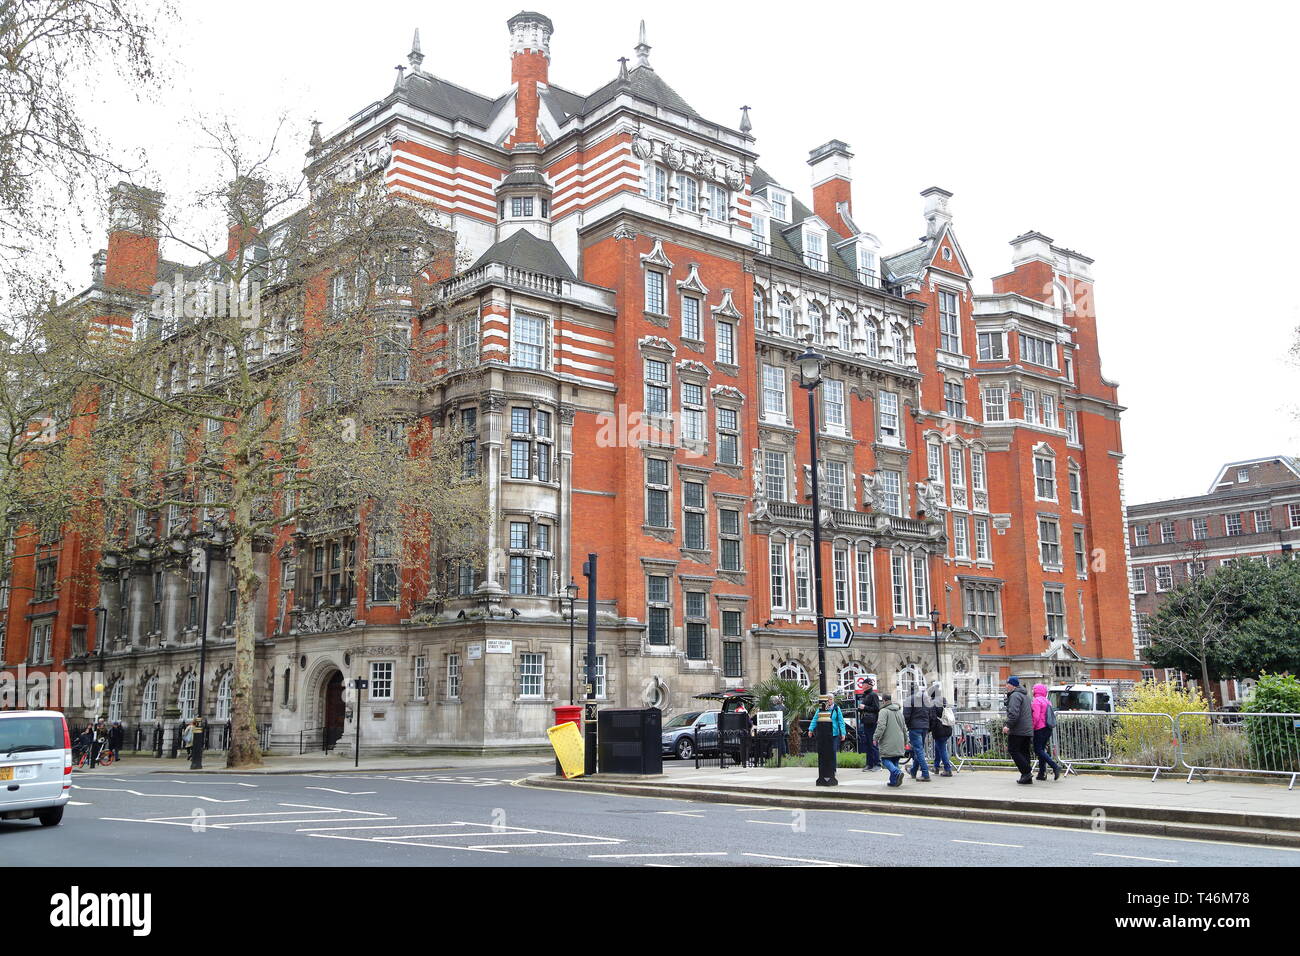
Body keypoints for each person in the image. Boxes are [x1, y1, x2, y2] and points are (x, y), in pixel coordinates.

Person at [806, 694, 846, 786]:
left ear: (833, 700)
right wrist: (810, 729)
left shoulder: (836, 709)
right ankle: (825, 768)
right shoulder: (821, 708)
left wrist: (843, 733)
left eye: (831, 699)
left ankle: (833, 769)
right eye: (828, 699)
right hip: (824, 734)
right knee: (824, 752)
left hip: (834, 734)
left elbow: (841, 721)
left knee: (832, 751)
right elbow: (815, 719)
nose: (829, 701)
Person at [1002, 677, 1034, 783]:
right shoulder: (1025, 695)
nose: (1006, 686)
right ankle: (1026, 777)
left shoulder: (1015, 696)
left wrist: (1008, 725)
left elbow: (1013, 713)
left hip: (1018, 729)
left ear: (1013, 685)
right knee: (1024, 752)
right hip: (1027, 729)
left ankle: (1027, 772)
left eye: (1007, 684)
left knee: (1013, 750)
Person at [873, 694, 908, 787]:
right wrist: (906, 741)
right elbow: (904, 728)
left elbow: (881, 726)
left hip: (888, 741)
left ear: (884, 701)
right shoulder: (899, 712)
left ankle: (897, 772)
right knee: (895, 760)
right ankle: (893, 781)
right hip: (899, 741)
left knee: (885, 760)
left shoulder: (883, 711)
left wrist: (875, 737)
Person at [1032, 683, 1062, 781]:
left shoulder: (1036, 701)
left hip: (1039, 728)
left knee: (1038, 750)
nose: (1032, 691)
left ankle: (1054, 766)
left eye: (1033, 689)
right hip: (1048, 728)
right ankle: (1042, 773)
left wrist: (1032, 727)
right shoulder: (1047, 701)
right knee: (1042, 750)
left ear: (1037, 691)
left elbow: (1036, 717)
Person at [903, 684, 932, 782]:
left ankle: (925, 774)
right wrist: (928, 727)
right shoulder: (926, 700)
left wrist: (907, 726)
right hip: (924, 727)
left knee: (919, 751)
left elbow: (906, 716)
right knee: (918, 750)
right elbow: (930, 715)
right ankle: (913, 771)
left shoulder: (909, 699)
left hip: (915, 727)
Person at [927, 681, 954, 777]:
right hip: (947, 728)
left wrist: (928, 730)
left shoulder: (932, 704)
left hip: (939, 730)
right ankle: (936, 767)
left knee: (942, 749)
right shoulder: (944, 701)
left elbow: (933, 719)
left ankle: (948, 769)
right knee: (938, 747)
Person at [859, 677, 881, 771]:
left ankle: (877, 764)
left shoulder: (873, 695)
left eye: (863, 684)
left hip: (872, 722)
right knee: (867, 743)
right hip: (866, 721)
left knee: (872, 743)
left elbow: (876, 708)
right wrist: (860, 709)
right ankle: (869, 764)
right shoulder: (866, 695)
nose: (862, 685)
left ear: (868, 685)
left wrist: (864, 707)